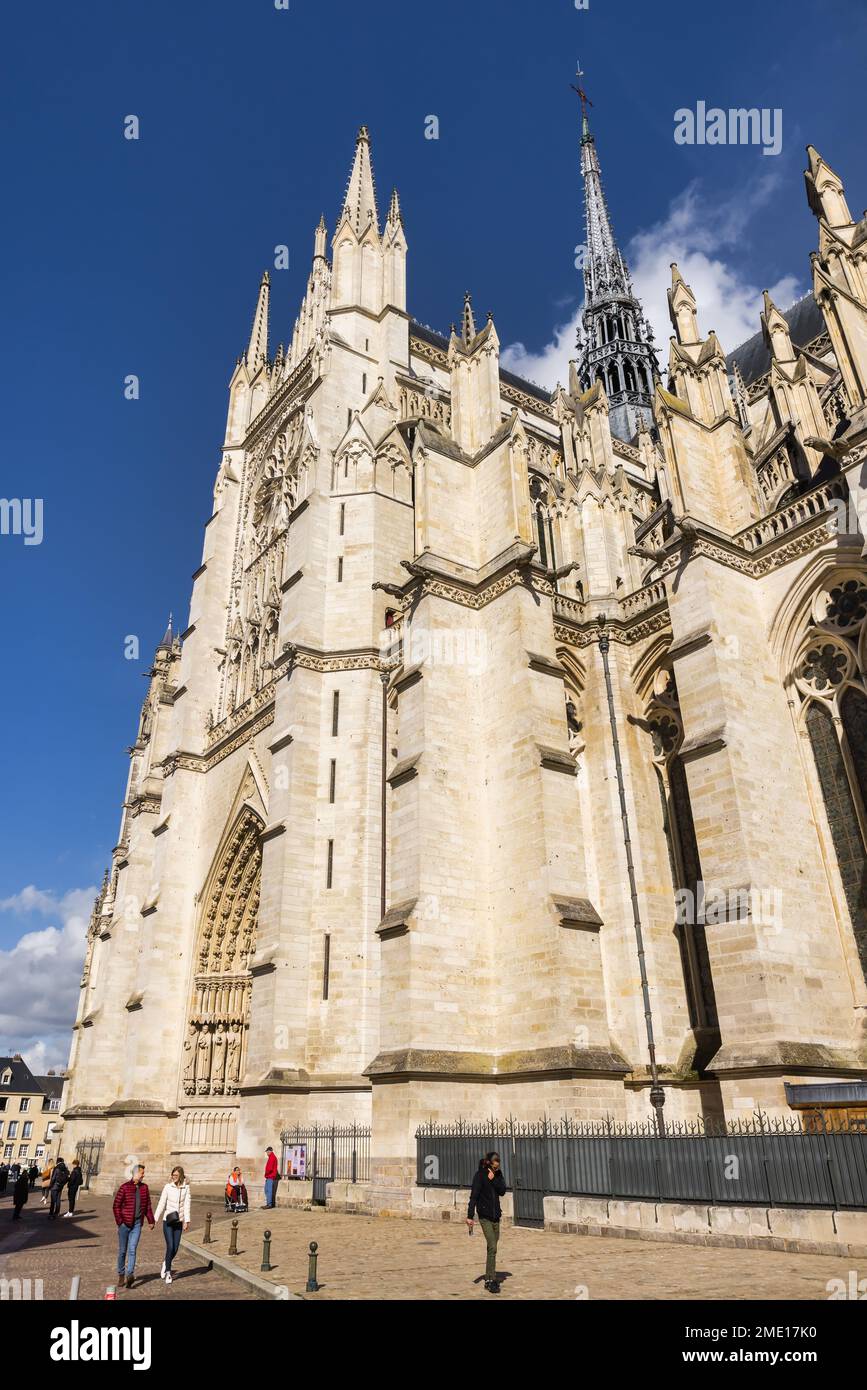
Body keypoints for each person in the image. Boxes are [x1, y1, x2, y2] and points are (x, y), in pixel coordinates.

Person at [466, 1151, 507, 1294]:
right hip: (484, 1217)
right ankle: (490, 1280)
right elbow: (474, 1197)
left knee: (492, 1249)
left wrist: (494, 1179)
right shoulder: (480, 1175)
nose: (498, 1163)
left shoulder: (498, 1174)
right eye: (495, 1161)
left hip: (496, 1217)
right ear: (489, 1162)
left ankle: (490, 1275)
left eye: (499, 1161)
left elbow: (502, 1191)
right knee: (492, 1246)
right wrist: (470, 1216)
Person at [112, 1164, 155, 1289]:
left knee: (132, 1249)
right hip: (124, 1224)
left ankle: (129, 1274)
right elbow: (116, 1206)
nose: (143, 1175)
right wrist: (120, 1222)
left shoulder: (144, 1188)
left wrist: (151, 1220)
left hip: (137, 1224)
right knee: (122, 1251)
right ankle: (121, 1274)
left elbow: (147, 1206)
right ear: (136, 1173)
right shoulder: (124, 1187)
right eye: (142, 1173)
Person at [153, 1166, 191, 1286]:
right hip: (168, 1221)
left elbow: (187, 1205)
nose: (173, 1177)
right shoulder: (167, 1187)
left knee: (175, 1248)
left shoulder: (186, 1188)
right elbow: (161, 1203)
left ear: (180, 1176)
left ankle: (166, 1262)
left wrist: (186, 1221)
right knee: (170, 1246)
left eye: (176, 1175)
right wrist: (154, 1218)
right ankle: (168, 1272)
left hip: (178, 1222)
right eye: (172, 1175)